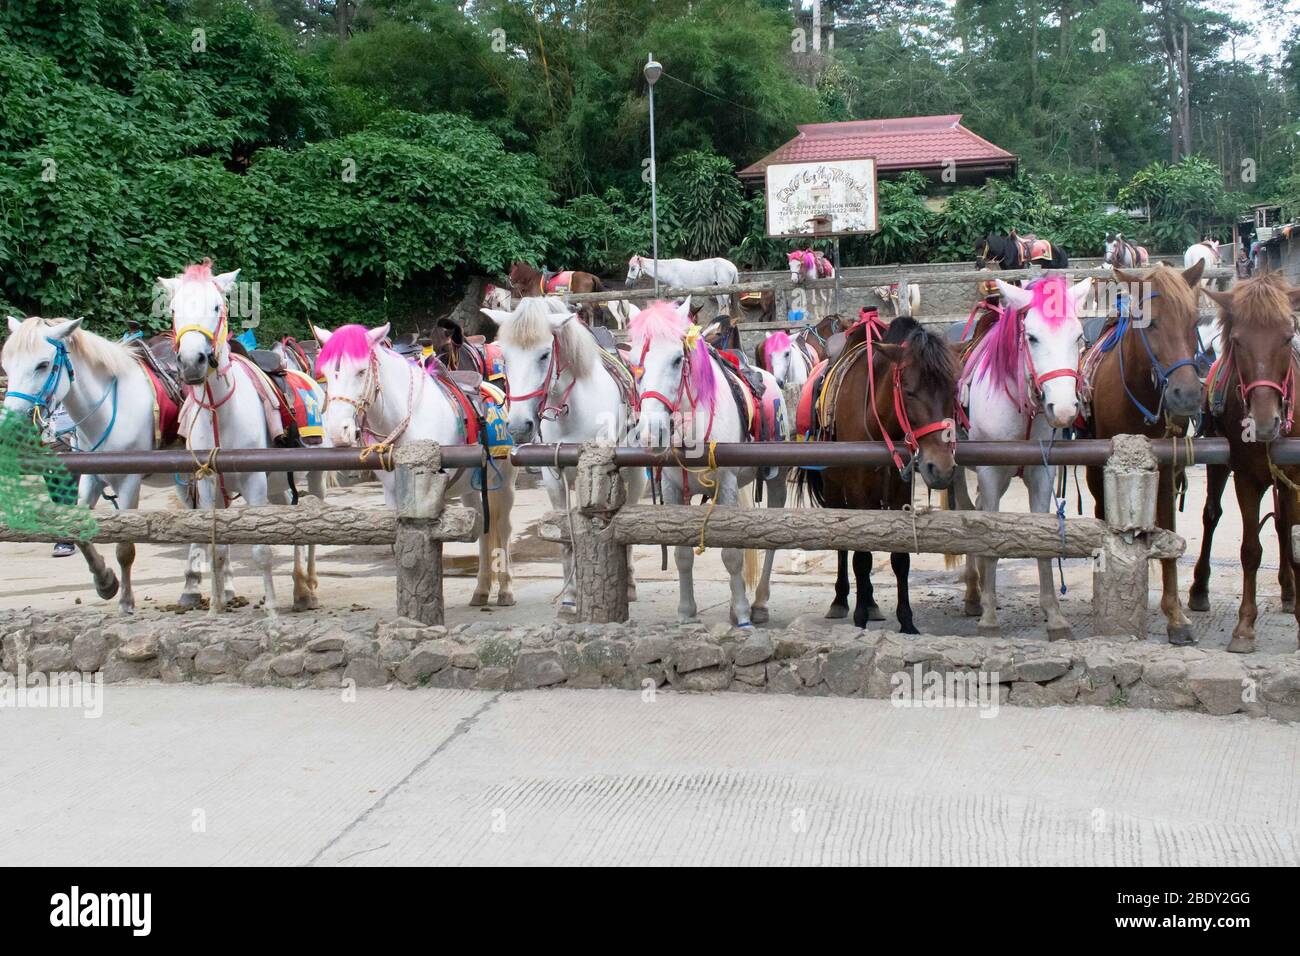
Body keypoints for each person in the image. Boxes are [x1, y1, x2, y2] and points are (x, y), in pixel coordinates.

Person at [41, 405, 77, 557]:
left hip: (72, 437)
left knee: (67, 485)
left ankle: (66, 539)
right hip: (47, 436)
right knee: (54, 489)